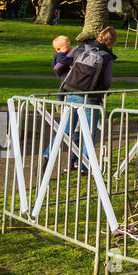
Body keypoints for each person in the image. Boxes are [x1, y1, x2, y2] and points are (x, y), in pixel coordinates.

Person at [55, 27, 118, 173]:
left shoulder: (81, 48)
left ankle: (65, 160)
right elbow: (107, 81)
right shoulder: (107, 56)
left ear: (99, 36)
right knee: (89, 133)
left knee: (69, 130)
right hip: (91, 98)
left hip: (71, 93)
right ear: (112, 42)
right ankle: (83, 165)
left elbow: (59, 67)